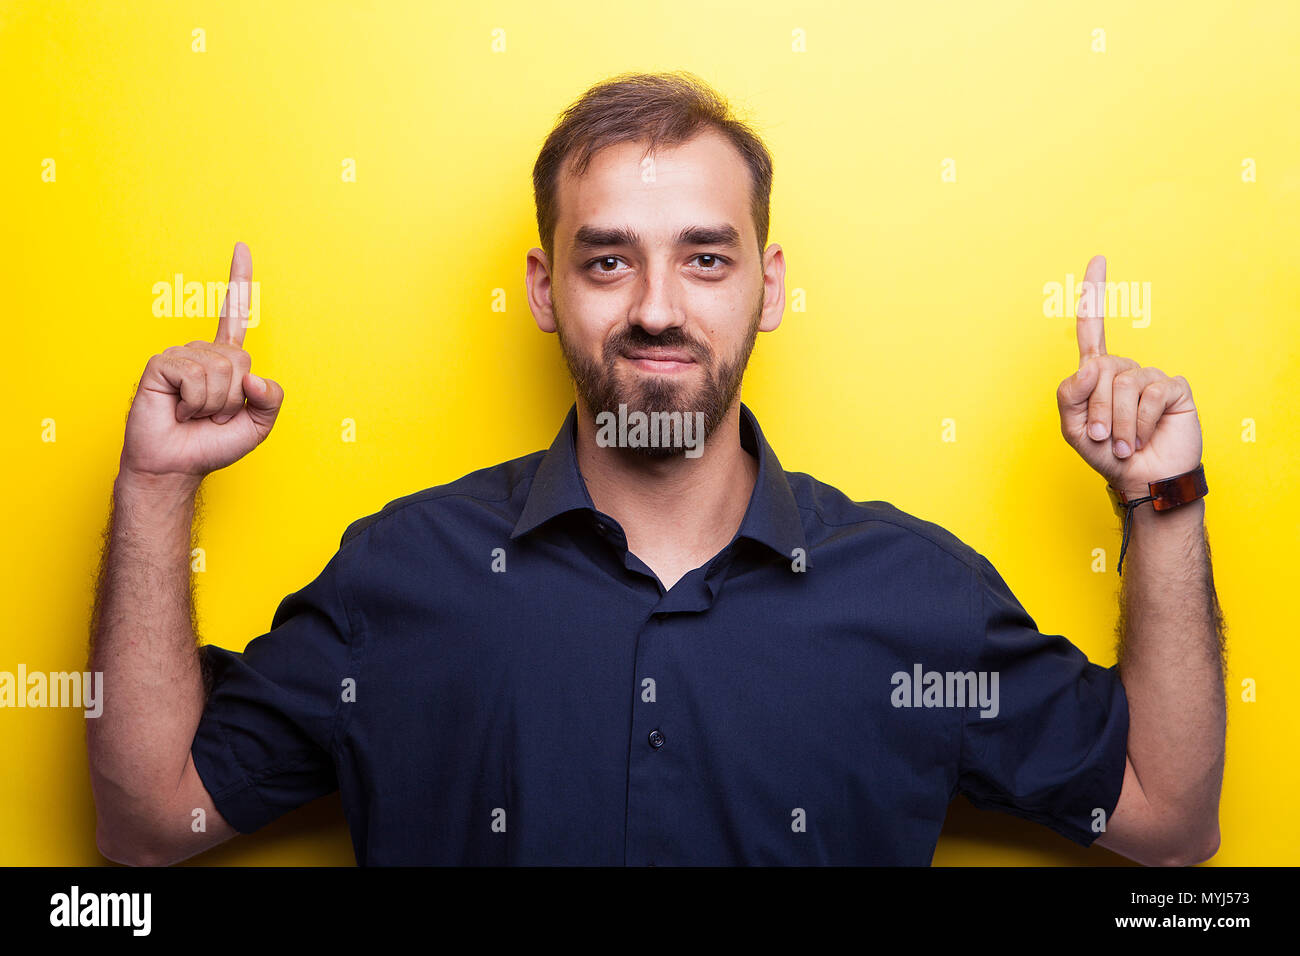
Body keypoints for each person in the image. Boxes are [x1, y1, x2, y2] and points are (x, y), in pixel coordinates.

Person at [88, 71, 1225, 866]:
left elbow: (1167, 822)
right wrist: (154, 486)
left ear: (767, 287)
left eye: (705, 257)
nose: (657, 308)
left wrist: (1160, 500)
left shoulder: (917, 597)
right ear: (544, 288)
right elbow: (147, 822)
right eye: (607, 260)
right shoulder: (401, 572)